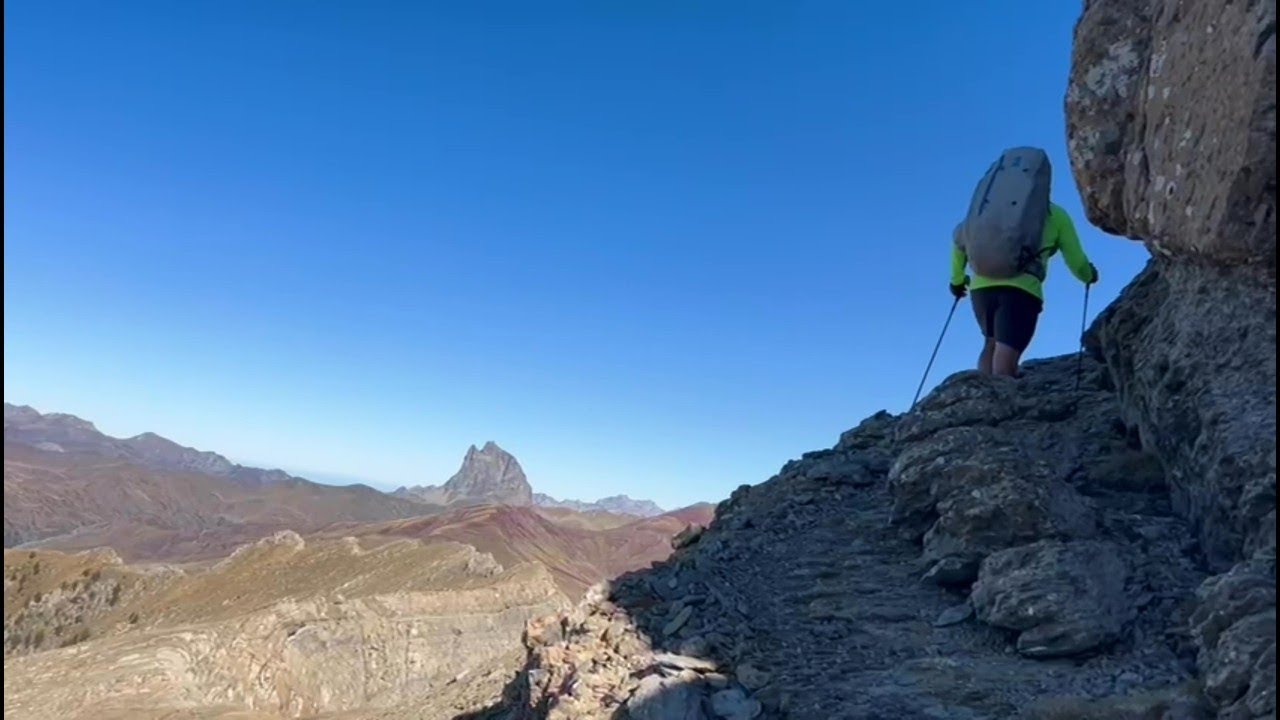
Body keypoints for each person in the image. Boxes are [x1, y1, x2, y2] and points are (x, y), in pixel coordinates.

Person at [949, 202, 1097, 377]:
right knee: (1007, 351)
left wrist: (957, 280)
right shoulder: (1054, 214)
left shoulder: (989, 208)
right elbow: (1076, 260)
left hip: (982, 288)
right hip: (1021, 291)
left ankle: (983, 392)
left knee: (990, 343)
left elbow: (960, 240)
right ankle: (1001, 392)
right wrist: (1088, 275)